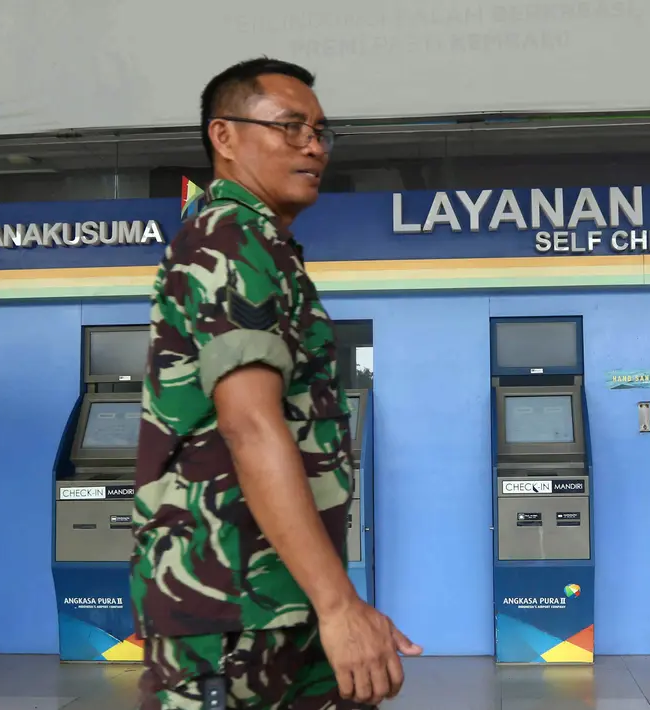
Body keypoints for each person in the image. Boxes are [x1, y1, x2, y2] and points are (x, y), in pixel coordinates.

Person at [130, 57, 421, 710]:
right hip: (229, 604)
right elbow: (249, 422)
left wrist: (329, 603)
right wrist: (339, 604)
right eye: (290, 127)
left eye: (320, 132)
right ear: (223, 136)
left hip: (277, 598)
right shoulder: (228, 239)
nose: (313, 147)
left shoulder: (265, 245)